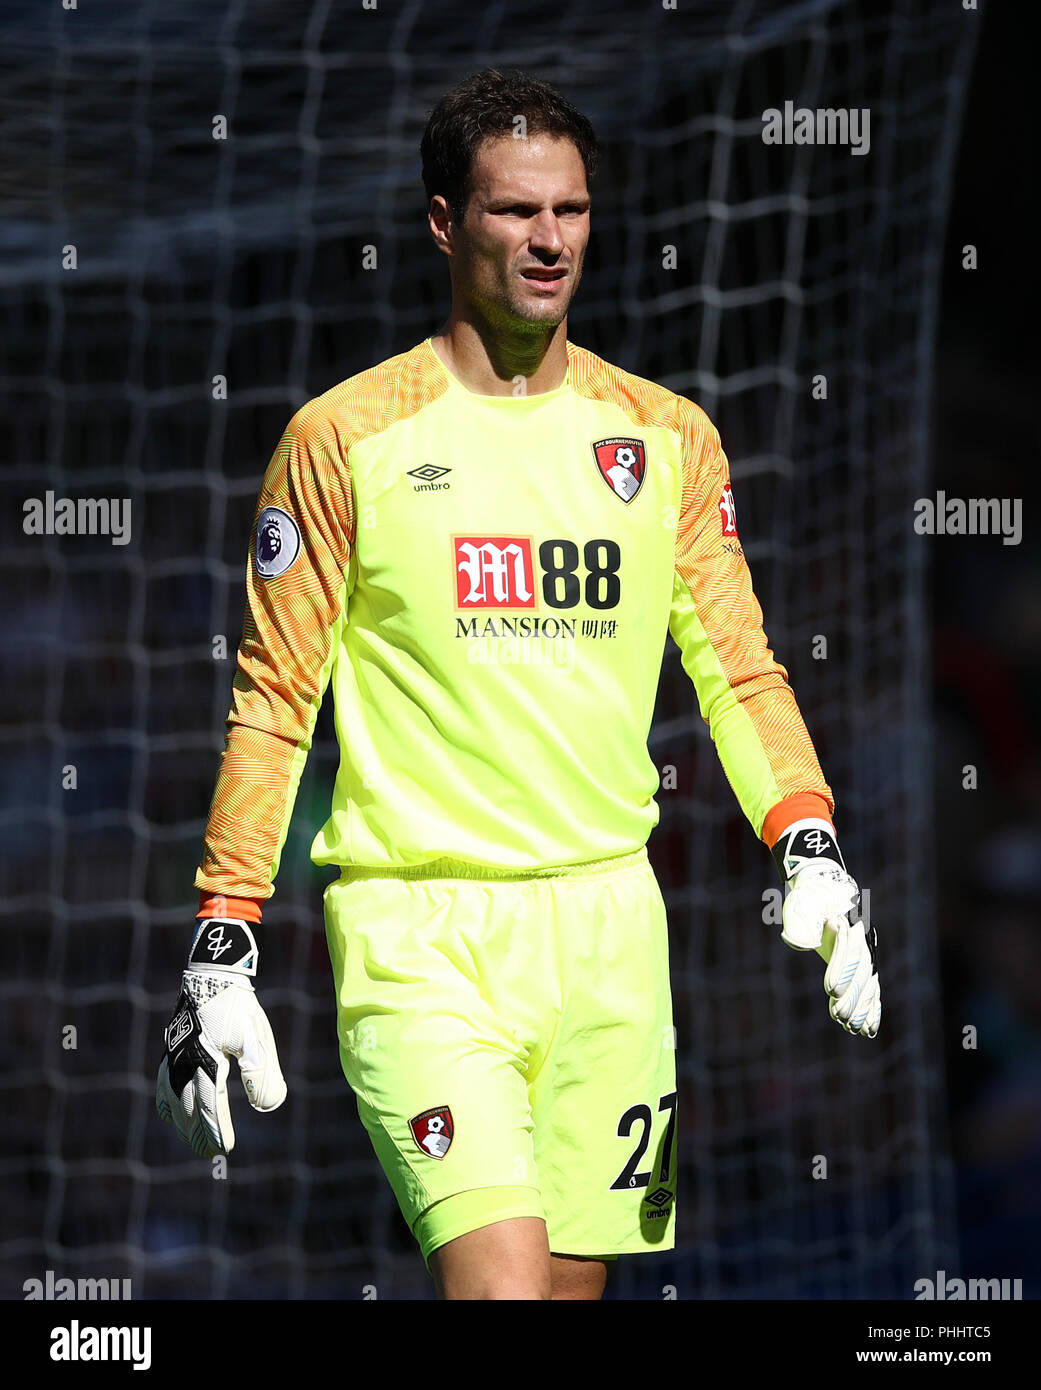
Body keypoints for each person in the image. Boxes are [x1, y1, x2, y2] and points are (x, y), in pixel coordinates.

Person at [156, 67, 880, 1301]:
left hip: (608, 930)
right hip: (417, 929)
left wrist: (807, 840)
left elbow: (740, 668)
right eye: (513, 212)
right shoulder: (345, 439)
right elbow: (276, 700)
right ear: (445, 222)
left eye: (572, 211)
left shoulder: (665, 438)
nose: (549, 239)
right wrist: (225, 939)